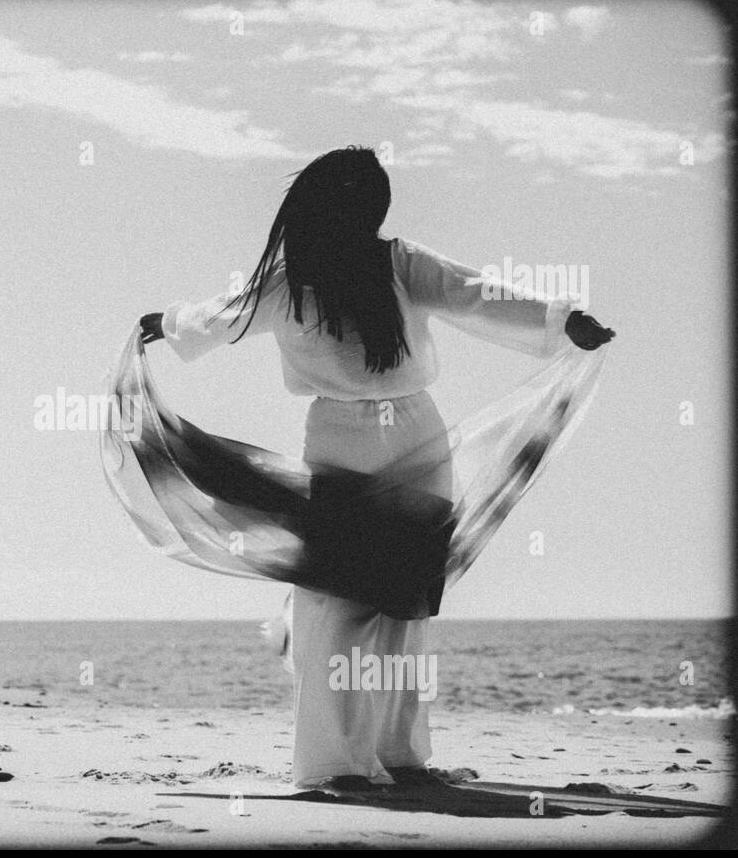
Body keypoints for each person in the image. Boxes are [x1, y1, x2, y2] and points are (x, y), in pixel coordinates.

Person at [137, 146, 613, 791]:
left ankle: (400, 756)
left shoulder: (398, 263)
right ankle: (334, 765)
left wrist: (562, 319)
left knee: (403, 598)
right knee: (339, 597)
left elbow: (477, 293)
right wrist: (166, 324)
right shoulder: (291, 282)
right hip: (346, 439)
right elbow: (225, 314)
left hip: (415, 434)